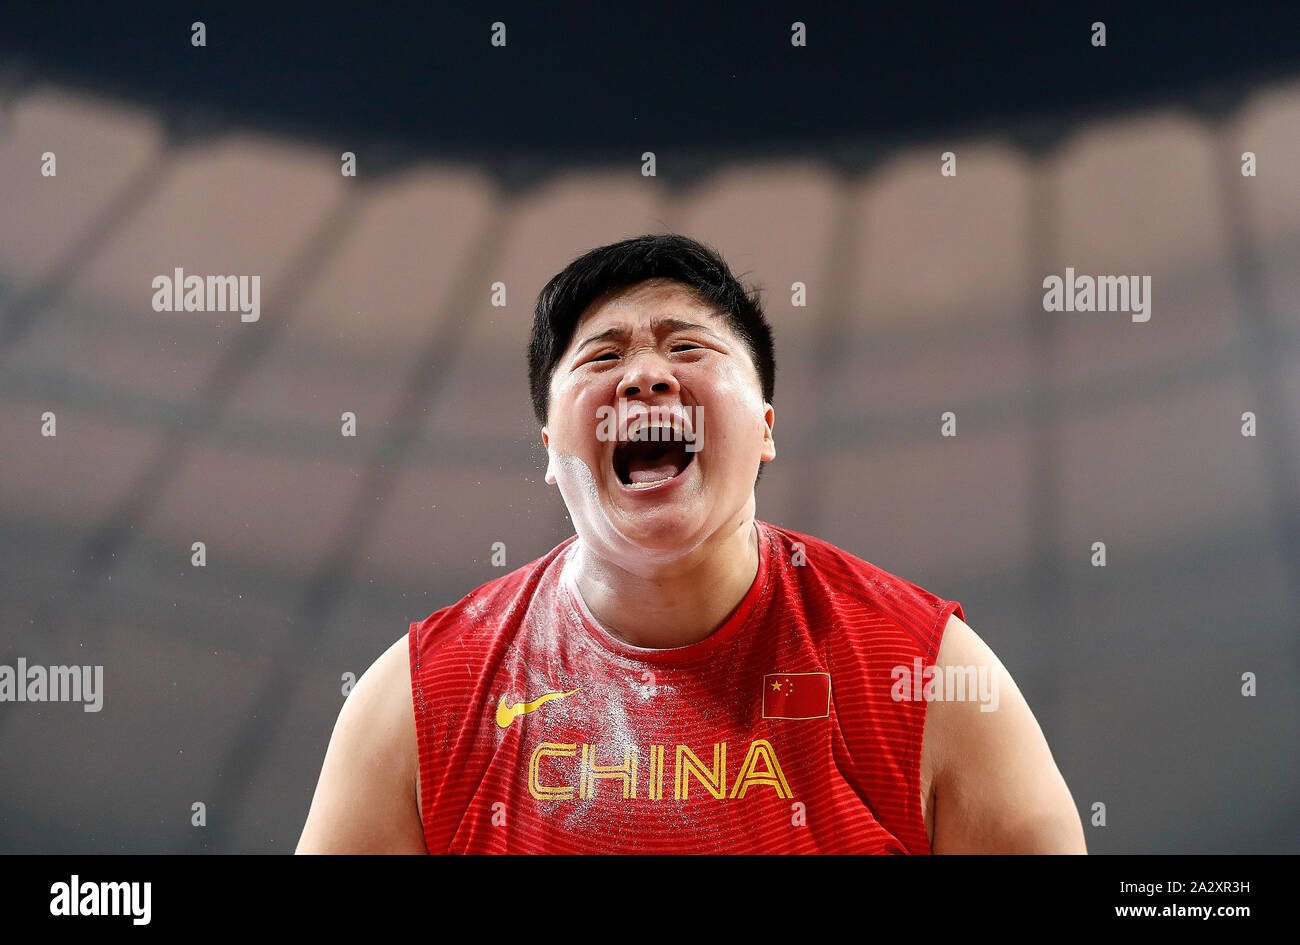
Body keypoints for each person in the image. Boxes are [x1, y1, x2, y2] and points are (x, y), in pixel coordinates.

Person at [296, 234, 1087, 854]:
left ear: (766, 428)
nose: (645, 377)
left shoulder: (931, 679)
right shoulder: (416, 703)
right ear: (548, 448)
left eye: (687, 348)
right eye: (603, 356)